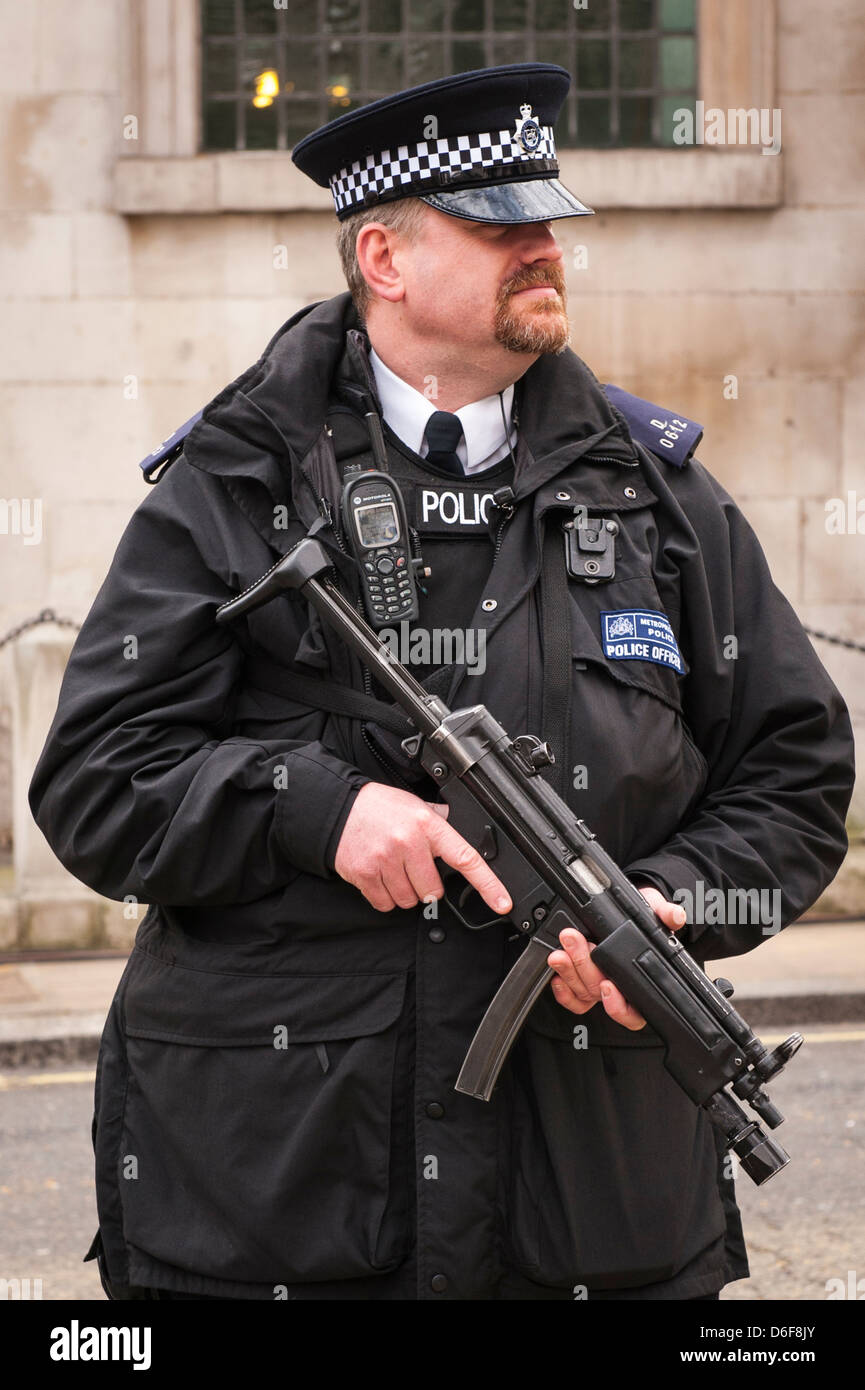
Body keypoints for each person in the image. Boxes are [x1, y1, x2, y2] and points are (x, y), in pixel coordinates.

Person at [29, 64, 853, 1302]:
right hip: (283, 1207)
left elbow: (792, 775)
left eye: (548, 223)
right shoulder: (234, 486)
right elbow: (97, 781)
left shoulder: (657, 497)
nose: (543, 246)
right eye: (498, 223)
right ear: (384, 258)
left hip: (591, 1214)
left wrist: (675, 900)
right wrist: (313, 810)